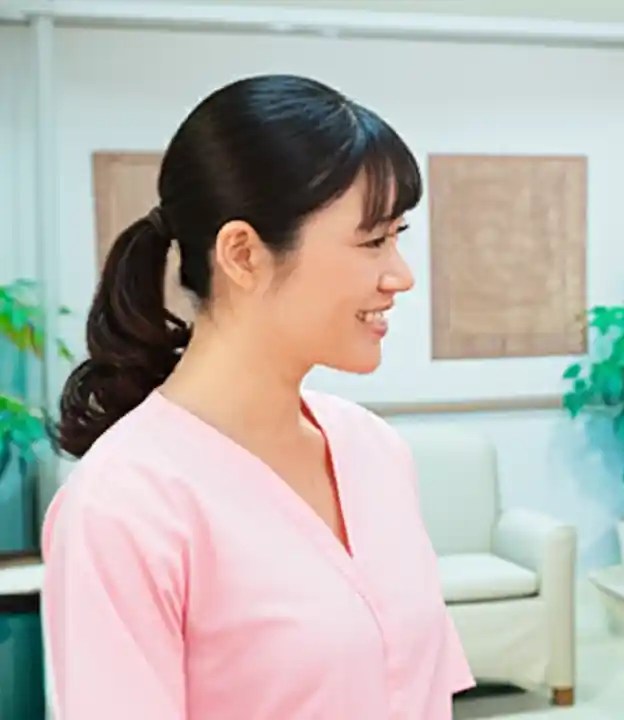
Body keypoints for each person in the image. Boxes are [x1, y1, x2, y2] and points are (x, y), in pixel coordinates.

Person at [42, 74, 473, 719]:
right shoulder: (125, 506)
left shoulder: (372, 450)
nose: (401, 277)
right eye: (372, 241)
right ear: (243, 254)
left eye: (398, 237)